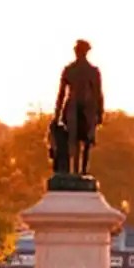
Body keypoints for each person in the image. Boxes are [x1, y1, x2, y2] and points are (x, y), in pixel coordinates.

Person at [54, 39, 104, 175]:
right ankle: (75, 171)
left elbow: (98, 93)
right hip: (73, 107)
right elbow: (62, 93)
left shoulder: (93, 71)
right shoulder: (69, 70)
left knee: (86, 141)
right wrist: (57, 115)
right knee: (73, 140)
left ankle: (82, 171)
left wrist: (99, 113)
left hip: (87, 108)